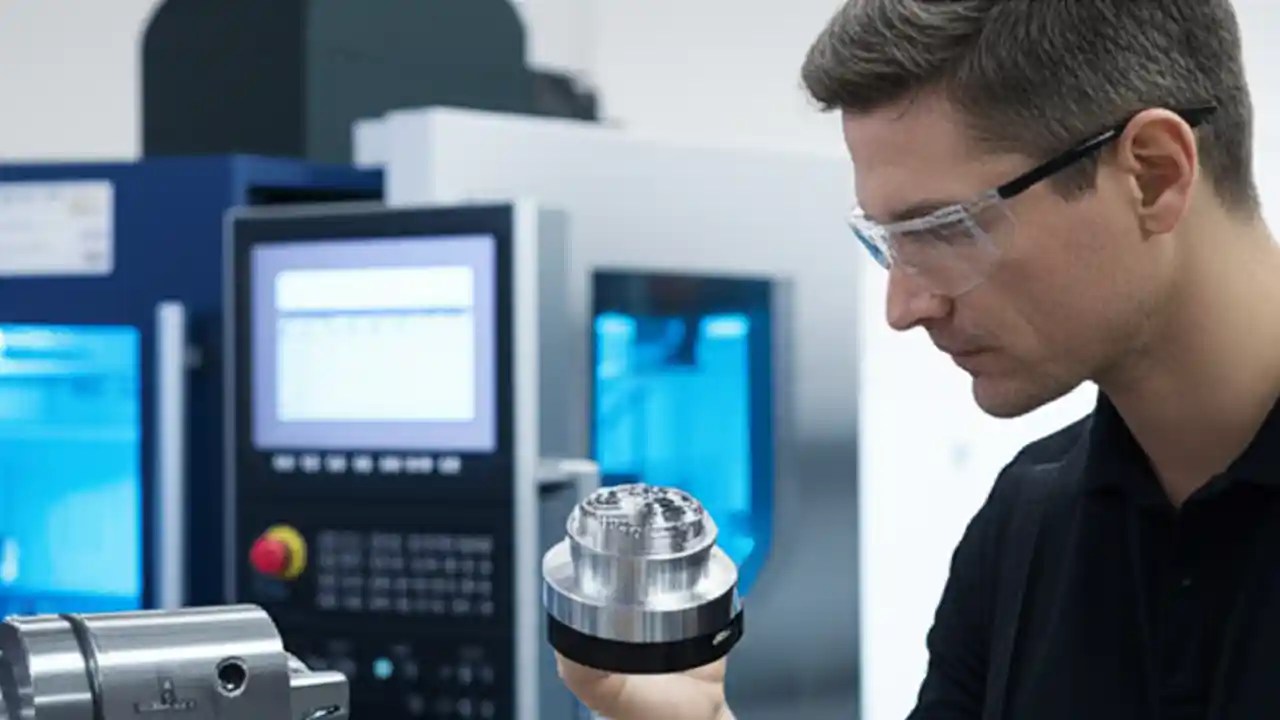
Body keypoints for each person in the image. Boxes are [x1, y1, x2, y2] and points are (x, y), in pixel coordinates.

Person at [559, 0, 1280, 717]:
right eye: (888, 243)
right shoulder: (1028, 525)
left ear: (1152, 174)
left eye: (945, 230)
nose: (904, 309)